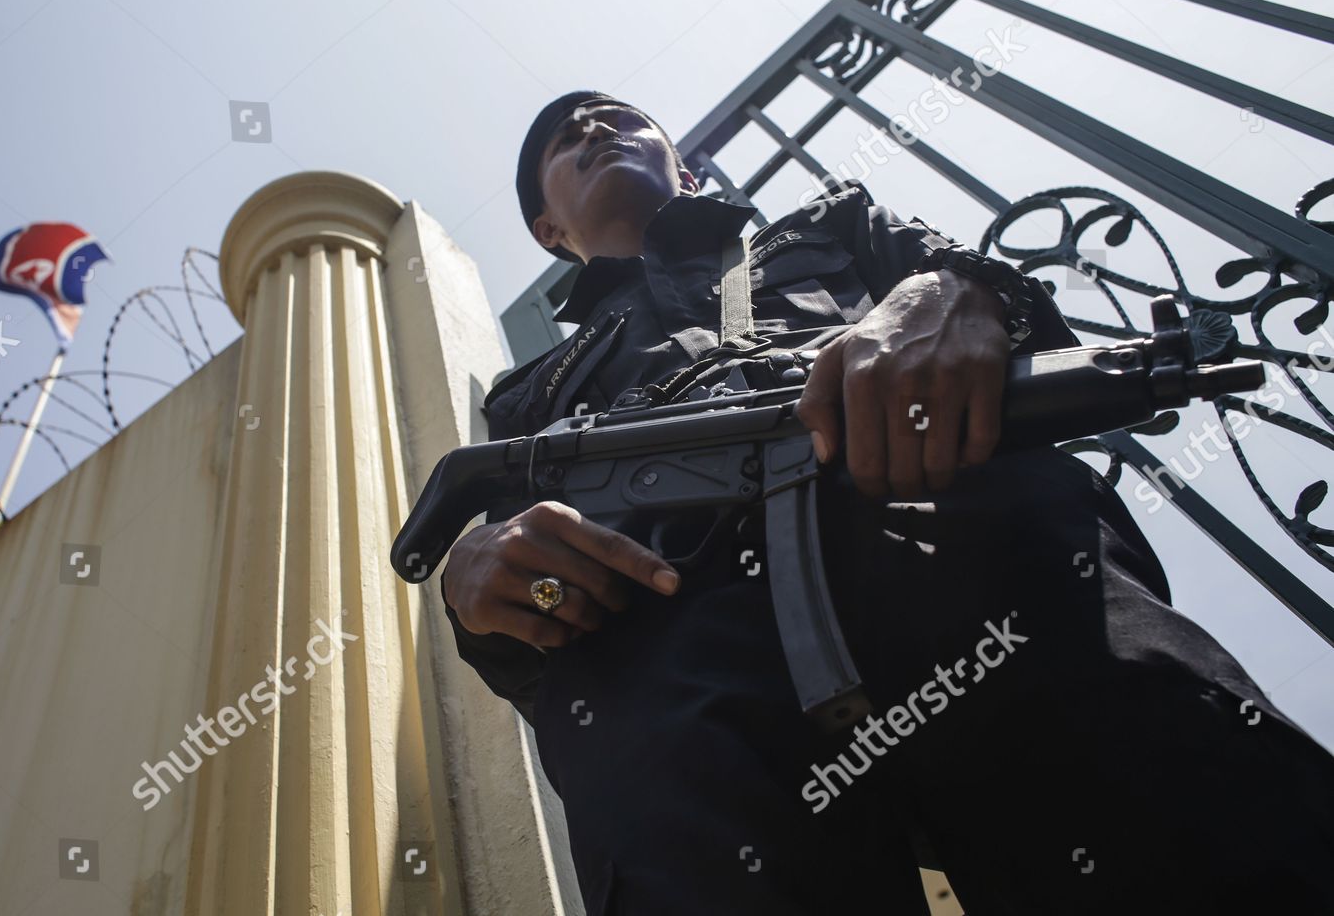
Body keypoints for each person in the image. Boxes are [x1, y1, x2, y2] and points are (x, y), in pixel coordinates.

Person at [437, 90, 1334, 914]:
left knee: (1190, 803)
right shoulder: (531, 390)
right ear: (549, 229)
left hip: (950, 512)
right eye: (564, 137)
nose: (594, 129)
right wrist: (473, 586)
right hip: (664, 636)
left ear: (687, 168)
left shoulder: (836, 223)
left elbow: (1013, 310)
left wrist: (958, 293)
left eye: (617, 117)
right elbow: (521, 593)